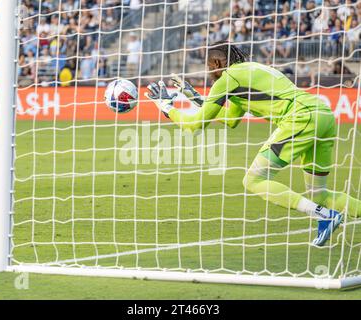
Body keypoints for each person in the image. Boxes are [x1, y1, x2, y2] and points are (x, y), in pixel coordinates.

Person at [145, 41, 361, 247]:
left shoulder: (226, 78)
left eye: (210, 67)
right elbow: (231, 120)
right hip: (323, 116)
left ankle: (324, 215)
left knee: (254, 180)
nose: (209, 72)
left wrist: (166, 108)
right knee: (319, 194)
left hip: (300, 119)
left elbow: (195, 125)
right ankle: (325, 211)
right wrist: (192, 94)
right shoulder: (250, 70)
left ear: (218, 64)